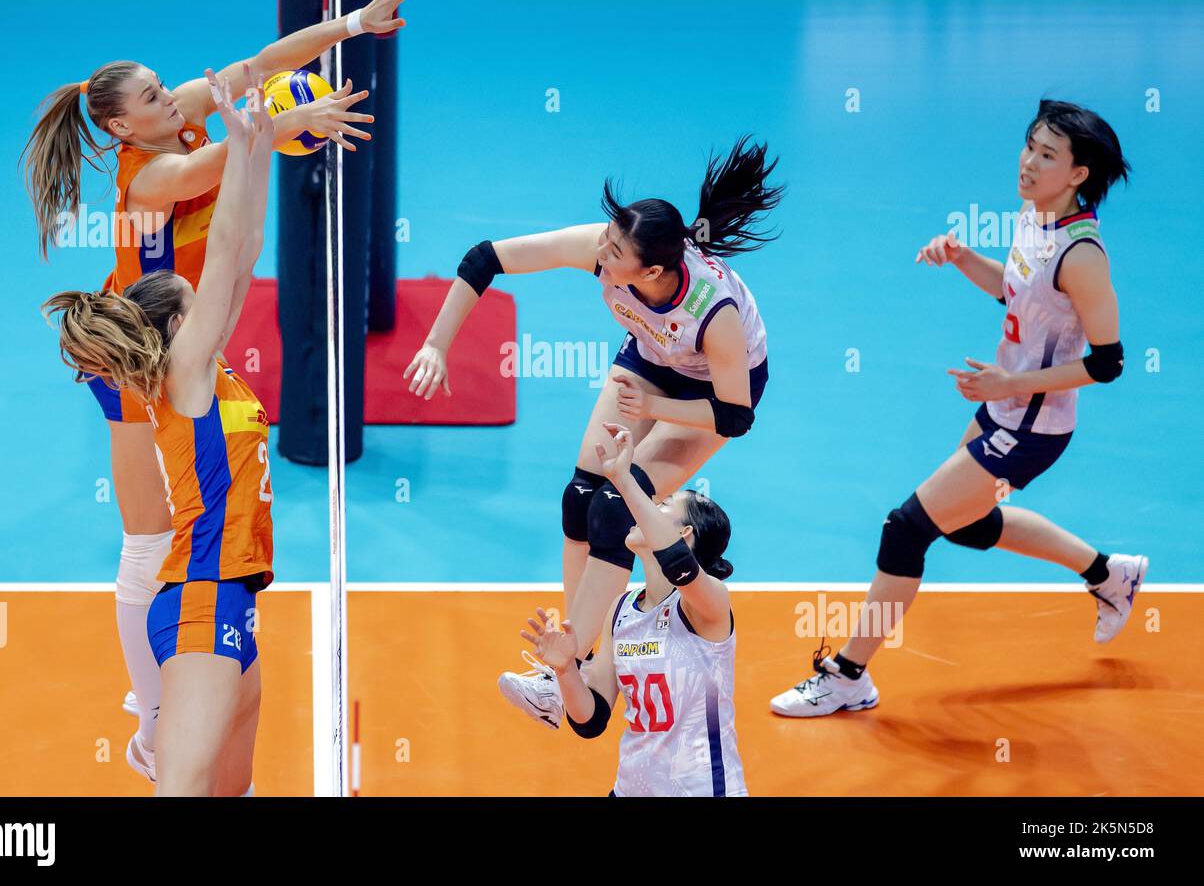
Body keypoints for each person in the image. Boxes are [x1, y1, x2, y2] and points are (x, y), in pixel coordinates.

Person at [22, 0, 416, 776]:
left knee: (169, 528)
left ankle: (161, 701)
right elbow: (243, 152)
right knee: (146, 543)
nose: (174, 102)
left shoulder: (173, 124)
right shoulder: (153, 174)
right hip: (138, 359)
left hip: (182, 340)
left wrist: (353, 24)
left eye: (169, 91)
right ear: (123, 131)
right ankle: (150, 716)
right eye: (157, 101)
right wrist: (294, 118)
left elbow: (259, 64)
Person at [772, 100, 1146, 717]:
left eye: (1048, 155)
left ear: (1079, 174)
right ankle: (1109, 574)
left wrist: (1009, 386)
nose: (1028, 162)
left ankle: (848, 676)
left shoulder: (1083, 256)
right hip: (1006, 405)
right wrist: (965, 259)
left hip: (1031, 426)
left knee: (906, 527)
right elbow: (1019, 290)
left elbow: (1108, 362)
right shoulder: (1035, 215)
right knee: (966, 521)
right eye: (1029, 145)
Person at [406, 137, 782, 726]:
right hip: (653, 359)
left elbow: (736, 418)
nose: (600, 254)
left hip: (712, 394)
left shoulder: (717, 314)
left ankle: (569, 669)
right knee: (580, 498)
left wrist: (656, 404)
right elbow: (485, 259)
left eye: (614, 251)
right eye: (605, 239)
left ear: (653, 270)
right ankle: (571, 667)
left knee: (615, 507)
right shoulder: (605, 249)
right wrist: (436, 343)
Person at [43, 67, 275, 794]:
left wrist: (254, 145)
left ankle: (152, 731)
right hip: (201, 597)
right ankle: (149, 727)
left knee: (232, 789)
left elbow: (241, 246)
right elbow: (229, 239)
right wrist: (242, 148)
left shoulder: (211, 367)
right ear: (178, 325)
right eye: (185, 289)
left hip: (234, 598)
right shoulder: (186, 374)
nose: (192, 271)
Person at [518, 423, 746, 796]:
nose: (645, 510)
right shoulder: (621, 611)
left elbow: (680, 566)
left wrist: (624, 480)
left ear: (683, 533)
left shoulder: (709, 605)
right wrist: (565, 671)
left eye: (661, 505)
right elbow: (590, 720)